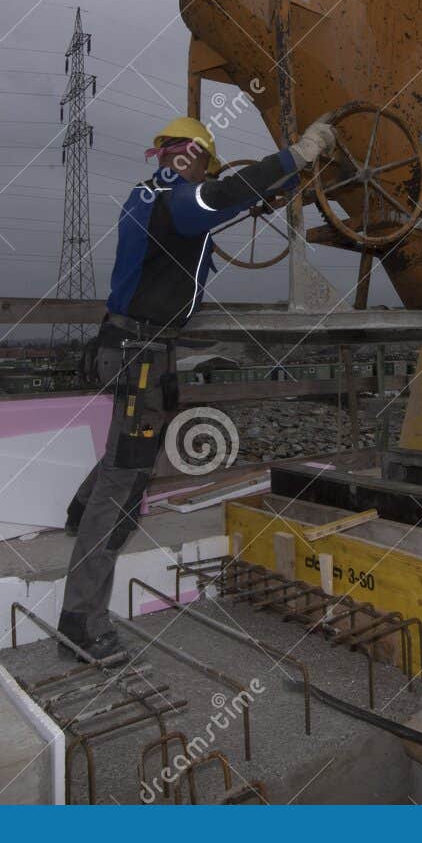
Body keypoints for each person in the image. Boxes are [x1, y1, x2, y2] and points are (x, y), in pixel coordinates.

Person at [56, 114, 337, 663]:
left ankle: (76, 511)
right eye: (203, 161)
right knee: (127, 485)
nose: (203, 170)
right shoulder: (175, 198)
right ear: (193, 156)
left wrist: (257, 197)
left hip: (130, 346)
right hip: (140, 352)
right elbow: (215, 198)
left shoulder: (154, 196)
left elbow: (209, 212)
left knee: (127, 452)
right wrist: (294, 157)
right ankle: (78, 622)